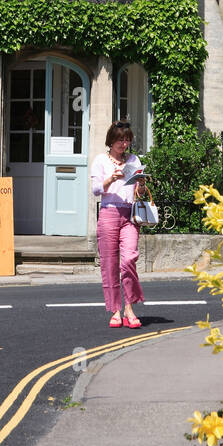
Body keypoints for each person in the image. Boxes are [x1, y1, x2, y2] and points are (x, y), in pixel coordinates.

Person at [90, 122, 148, 329]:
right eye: (120, 140)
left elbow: (139, 194)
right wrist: (111, 179)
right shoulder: (100, 160)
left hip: (129, 214)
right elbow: (96, 190)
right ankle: (116, 310)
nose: (124, 144)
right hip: (108, 213)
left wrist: (141, 184)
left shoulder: (133, 160)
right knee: (109, 264)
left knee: (129, 259)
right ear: (111, 141)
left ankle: (129, 308)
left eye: (127, 140)